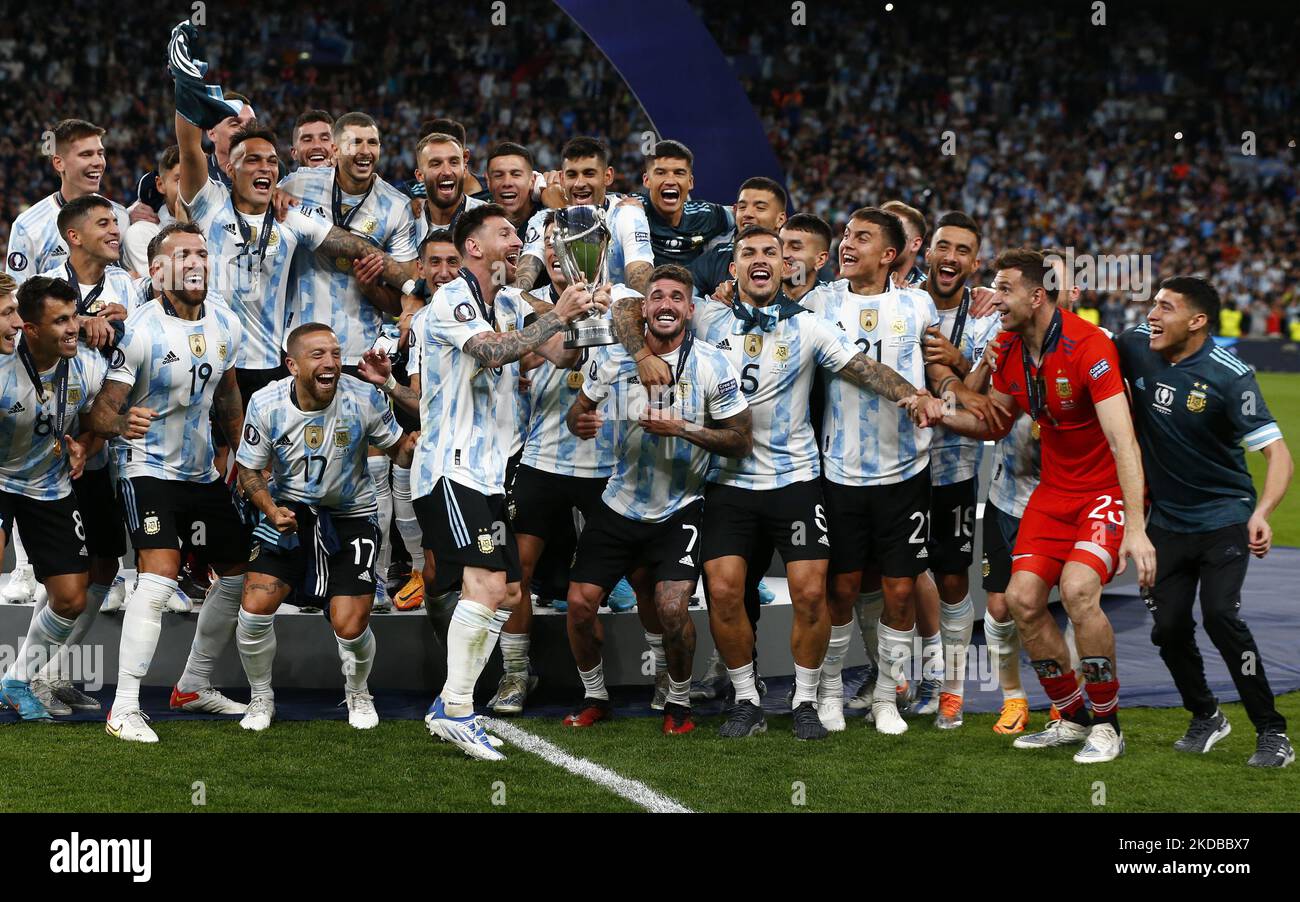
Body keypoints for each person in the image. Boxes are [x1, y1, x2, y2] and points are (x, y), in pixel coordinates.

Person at [612, 225, 935, 740]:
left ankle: (806, 699)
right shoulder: (708, 314)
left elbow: (863, 368)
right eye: (747, 253)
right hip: (726, 483)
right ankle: (747, 698)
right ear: (733, 268)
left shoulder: (809, 326)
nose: (760, 260)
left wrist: (912, 395)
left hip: (796, 482)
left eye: (771, 252)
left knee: (811, 594)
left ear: (787, 266)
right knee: (723, 592)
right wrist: (639, 352)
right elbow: (628, 304)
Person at [356, 203, 596, 760]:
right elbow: (490, 350)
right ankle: (455, 708)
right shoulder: (450, 299)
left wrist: (587, 321)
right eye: (506, 233)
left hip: (489, 474)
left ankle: (456, 705)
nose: (518, 242)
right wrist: (556, 314)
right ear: (474, 246)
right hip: (451, 466)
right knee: (487, 584)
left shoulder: (508, 300)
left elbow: (559, 353)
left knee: (509, 590)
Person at [918, 247, 1157, 764]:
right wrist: (934, 412)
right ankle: (1070, 717)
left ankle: (1107, 724)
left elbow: (1124, 444)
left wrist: (1135, 530)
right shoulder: (1006, 347)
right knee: (1022, 602)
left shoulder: (1089, 346)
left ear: (1036, 295)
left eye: (1004, 290)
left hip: (1102, 494)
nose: (994, 299)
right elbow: (995, 422)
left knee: (1077, 591)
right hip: (1051, 493)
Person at [800, 208, 979, 734]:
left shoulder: (917, 303)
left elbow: (938, 367)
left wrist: (943, 392)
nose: (847, 244)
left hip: (906, 471)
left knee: (901, 590)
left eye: (862, 238)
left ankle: (885, 698)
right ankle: (830, 691)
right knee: (843, 587)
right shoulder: (819, 300)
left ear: (890, 254)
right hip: (840, 472)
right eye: (846, 236)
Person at [562, 264, 751, 734]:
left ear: (691, 308)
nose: (666, 305)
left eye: (676, 298)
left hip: (680, 507)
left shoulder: (712, 363)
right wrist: (579, 423)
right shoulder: (614, 362)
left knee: (670, 609)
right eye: (657, 297)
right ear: (644, 308)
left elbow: (740, 441)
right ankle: (596, 697)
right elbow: (576, 414)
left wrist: (682, 427)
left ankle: (678, 704)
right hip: (618, 503)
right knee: (580, 605)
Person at [1116, 276, 1294, 768]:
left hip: (1224, 518)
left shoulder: (1230, 376)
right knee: (1168, 628)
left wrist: (1262, 513)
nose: (1152, 314)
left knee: (1221, 616)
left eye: (1165, 308)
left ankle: (1272, 732)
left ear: (1196, 321)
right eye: (1153, 304)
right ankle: (1206, 715)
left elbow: (1279, 456)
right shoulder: (1135, 345)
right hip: (1167, 522)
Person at [88, 222, 251, 743]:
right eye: (182, 255)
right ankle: (125, 707)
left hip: (202, 474)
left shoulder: (226, 321)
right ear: (157, 272)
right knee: (159, 576)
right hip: (146, 469)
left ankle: (193, 684)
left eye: (202, 252)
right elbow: (101, 414)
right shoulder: (139, 330)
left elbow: (226, 394)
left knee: (238, 572)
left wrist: (244, 458)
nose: (197, 261)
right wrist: (120, 423)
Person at [489, 214, 639, 715]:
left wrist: (604, 317)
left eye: (570, 245)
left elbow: (642, 348)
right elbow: (549, 355)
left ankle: (660, 678)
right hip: (542, 461)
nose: (559, 253)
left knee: (638, 576)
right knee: (516, 575)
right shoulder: (517, 308)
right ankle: (515, 675)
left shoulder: (623, 304)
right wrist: (561, 318)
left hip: (608, 466)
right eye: (552, 245)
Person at [233, 323, 414, 731]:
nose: (331, 362)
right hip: (288, 517)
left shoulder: (363, 395)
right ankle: (261, 698)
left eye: (334, 353)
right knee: (255, 607)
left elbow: (397, 450)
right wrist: (268, 507)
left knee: (349, 624)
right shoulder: (266, 402)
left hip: (350, 517)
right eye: (318, 355)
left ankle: (358, 691)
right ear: (291, 365)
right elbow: (248, 470)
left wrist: (411, 447)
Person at [0, 278, 102, 721]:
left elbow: (102, 414)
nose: (72, 327)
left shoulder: (84, 365)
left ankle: (17, 681)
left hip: (50, 484)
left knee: (70, 598)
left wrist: (86, 442)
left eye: (74, 316)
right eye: (60, 321)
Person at [513, 136, 654, 294]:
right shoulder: (543, 220)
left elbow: (641, 285)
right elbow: (521, 282)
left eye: (589, 174)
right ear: (562, 178)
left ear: (607, 176)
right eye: (572, 175)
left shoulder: (626, 214)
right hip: (561, 313)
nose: (579, 183)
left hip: (614, 315)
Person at [4, 119, 132, 286]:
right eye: (86, 154)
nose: (98, 162)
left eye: (100, 153)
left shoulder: (120, 215)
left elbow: (132, 283)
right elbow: (16, 297)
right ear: (59, 163)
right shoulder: (28, 226)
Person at [634, 140, 733, 266]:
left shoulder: (704, 215)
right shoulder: (633, 209)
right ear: (647, 180)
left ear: (690, 182)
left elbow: (743, 213)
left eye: (679, 173)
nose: (670, 180)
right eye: (661, 173)